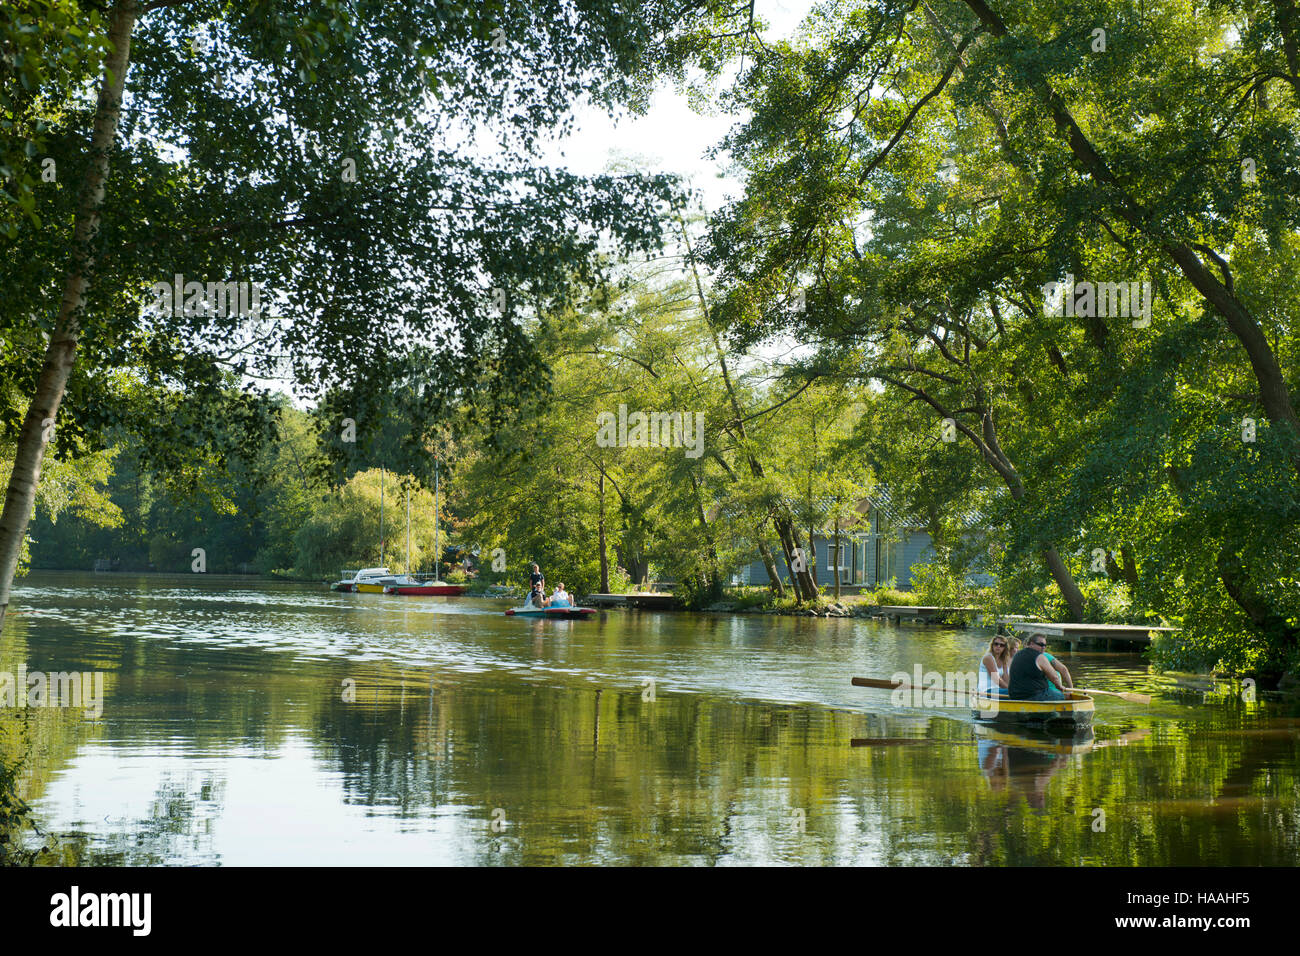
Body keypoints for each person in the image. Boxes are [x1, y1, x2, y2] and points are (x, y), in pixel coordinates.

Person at [1006, 632, 1067, 701]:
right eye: (1040, 645)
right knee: (1060, 695)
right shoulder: (1040, 657)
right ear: (1031, 643)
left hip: (1014, 696)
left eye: (1045, 645)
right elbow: (1055, 677)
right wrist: (1060, 687)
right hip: (1034, 696)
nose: (1043, 647)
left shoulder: (1017, 654)